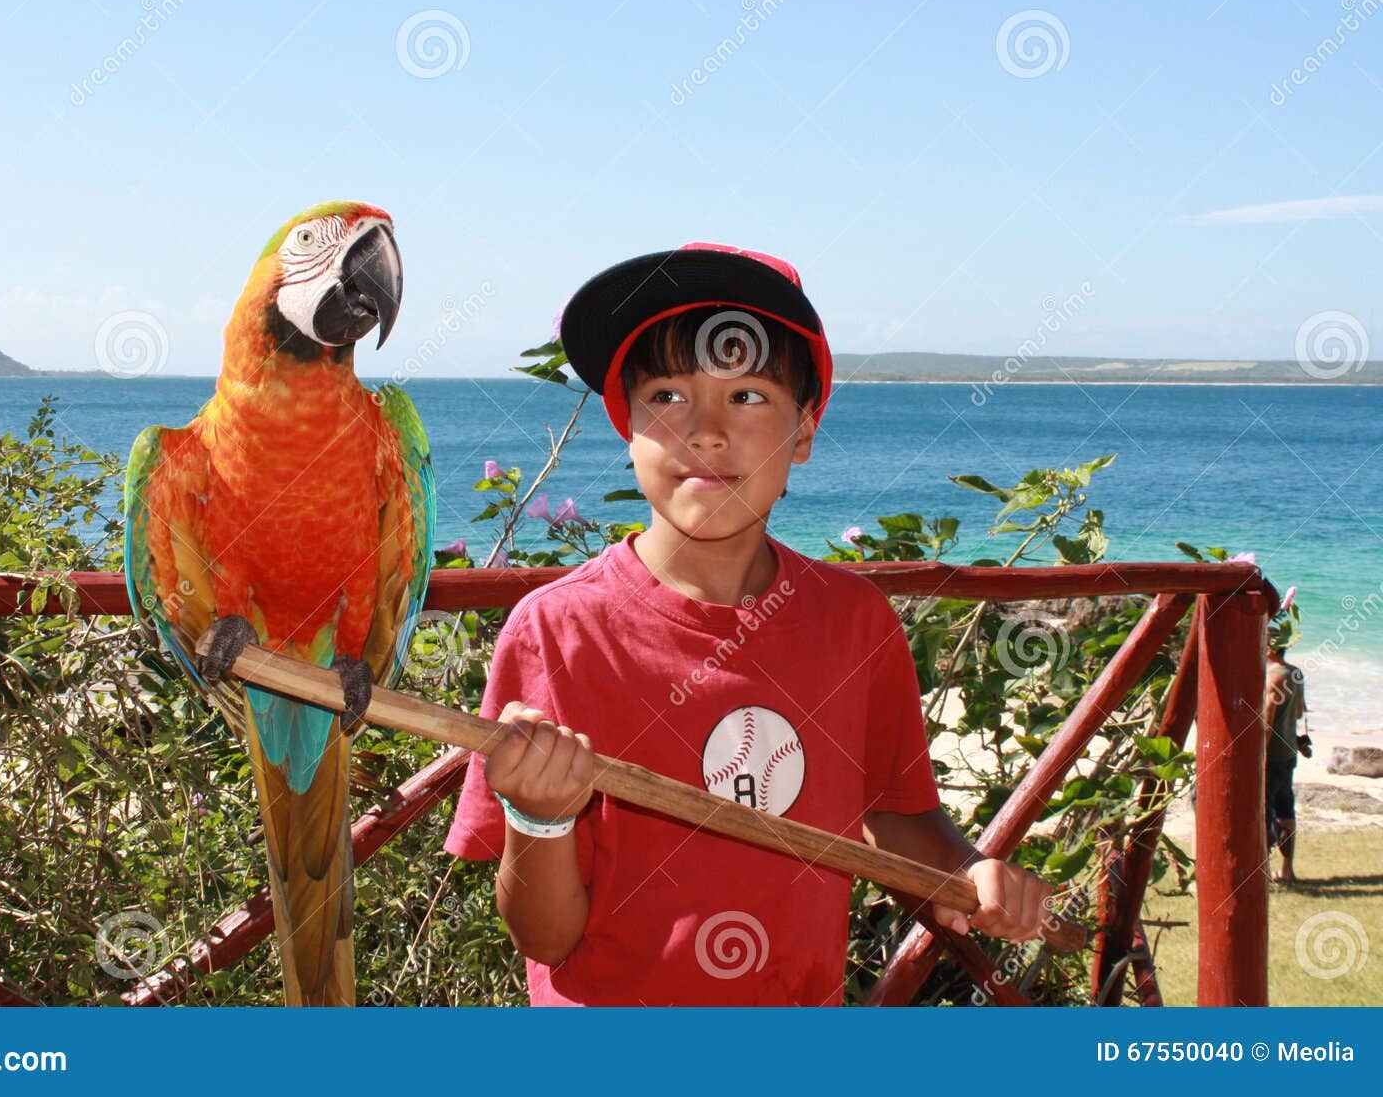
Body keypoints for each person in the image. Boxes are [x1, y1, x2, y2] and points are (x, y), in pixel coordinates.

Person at [444, 242, 1054, 1006]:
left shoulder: (856, 624)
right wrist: (537, 819)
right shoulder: (555, 633)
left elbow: (904, 817)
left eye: (747, 397)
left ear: (803, 431)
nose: (704, 430)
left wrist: (970, 872)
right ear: (627, 426)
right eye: (667, 395)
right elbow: (545, 939)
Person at [1264, 636, 1308, 884]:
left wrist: (1257, 759)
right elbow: (1300, 711)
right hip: (1289, 752)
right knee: (1285, 808)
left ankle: (1262, 870)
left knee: (1264, 811)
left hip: (1271, 756)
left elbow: (1266, 726)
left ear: (1270, 647)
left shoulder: (1272, 678)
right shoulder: (1296, 673)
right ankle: (1287, 870)